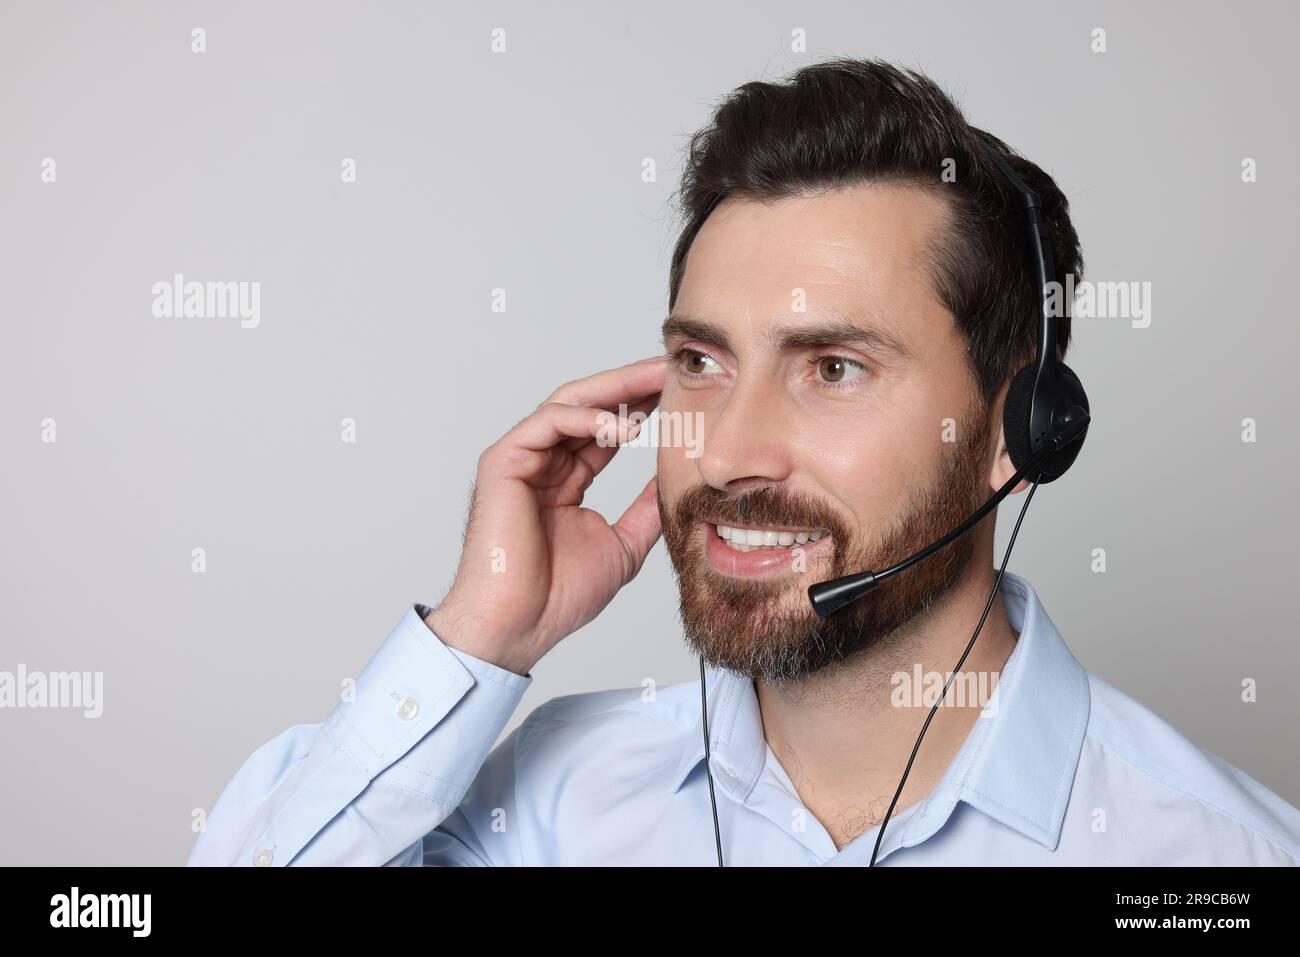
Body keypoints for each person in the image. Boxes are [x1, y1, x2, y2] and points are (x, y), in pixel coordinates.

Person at [188, 58, 1300, 866]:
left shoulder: (1215, 860)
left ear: (1020, 432)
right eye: (701, 361)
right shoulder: (536, 807)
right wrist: (479, 637)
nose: (724, 449)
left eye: (832, 369)